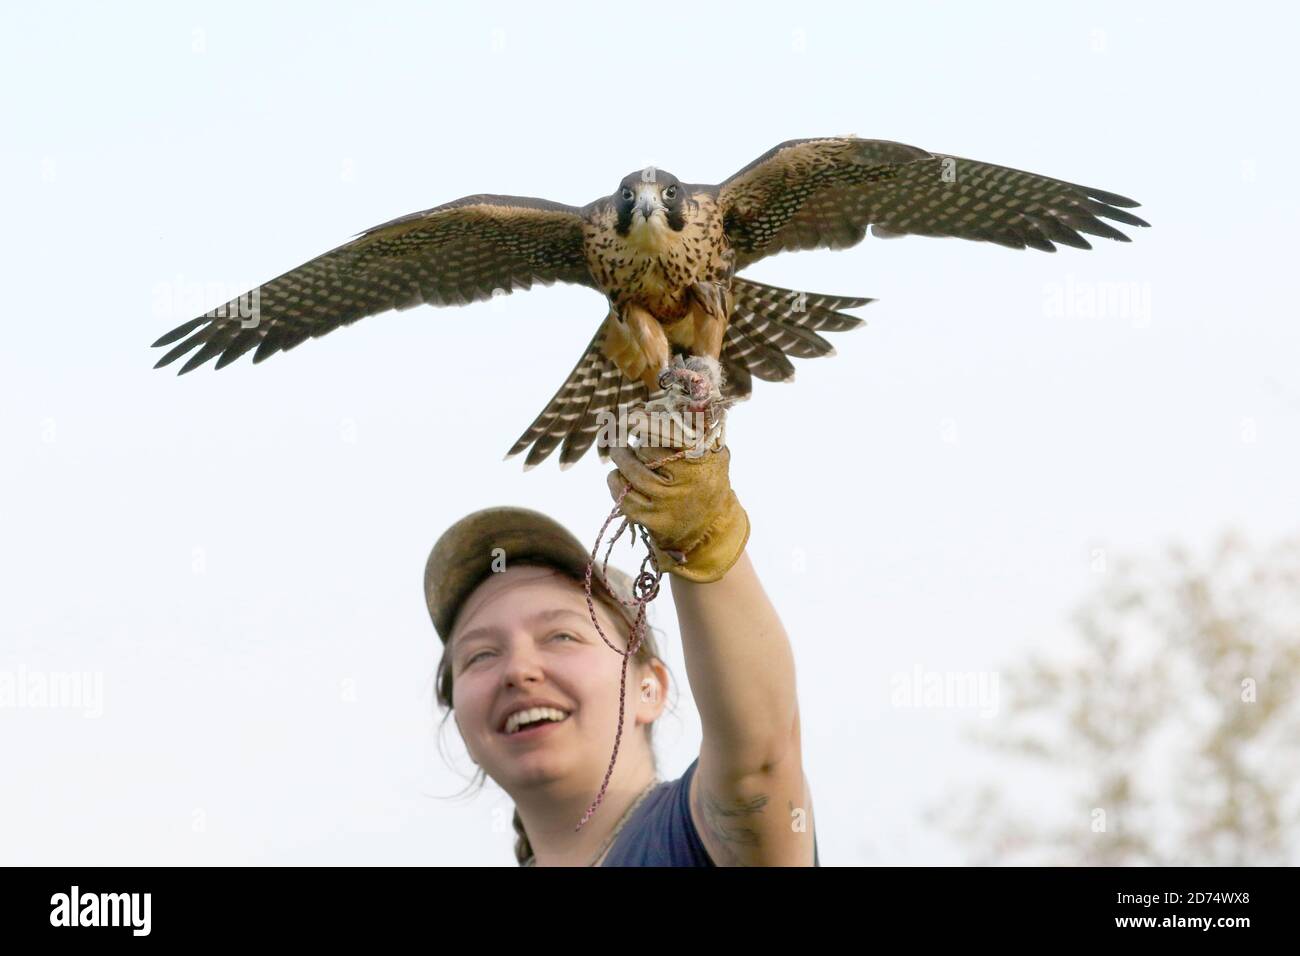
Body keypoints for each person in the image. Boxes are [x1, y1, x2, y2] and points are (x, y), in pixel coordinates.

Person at [425, 438, 819, 866]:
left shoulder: (693, 840)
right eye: (480, 655)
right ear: (457, 718)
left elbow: (758, 759)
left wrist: (700, 532)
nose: (519, 670)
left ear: (650, 688)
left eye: (561, 636)